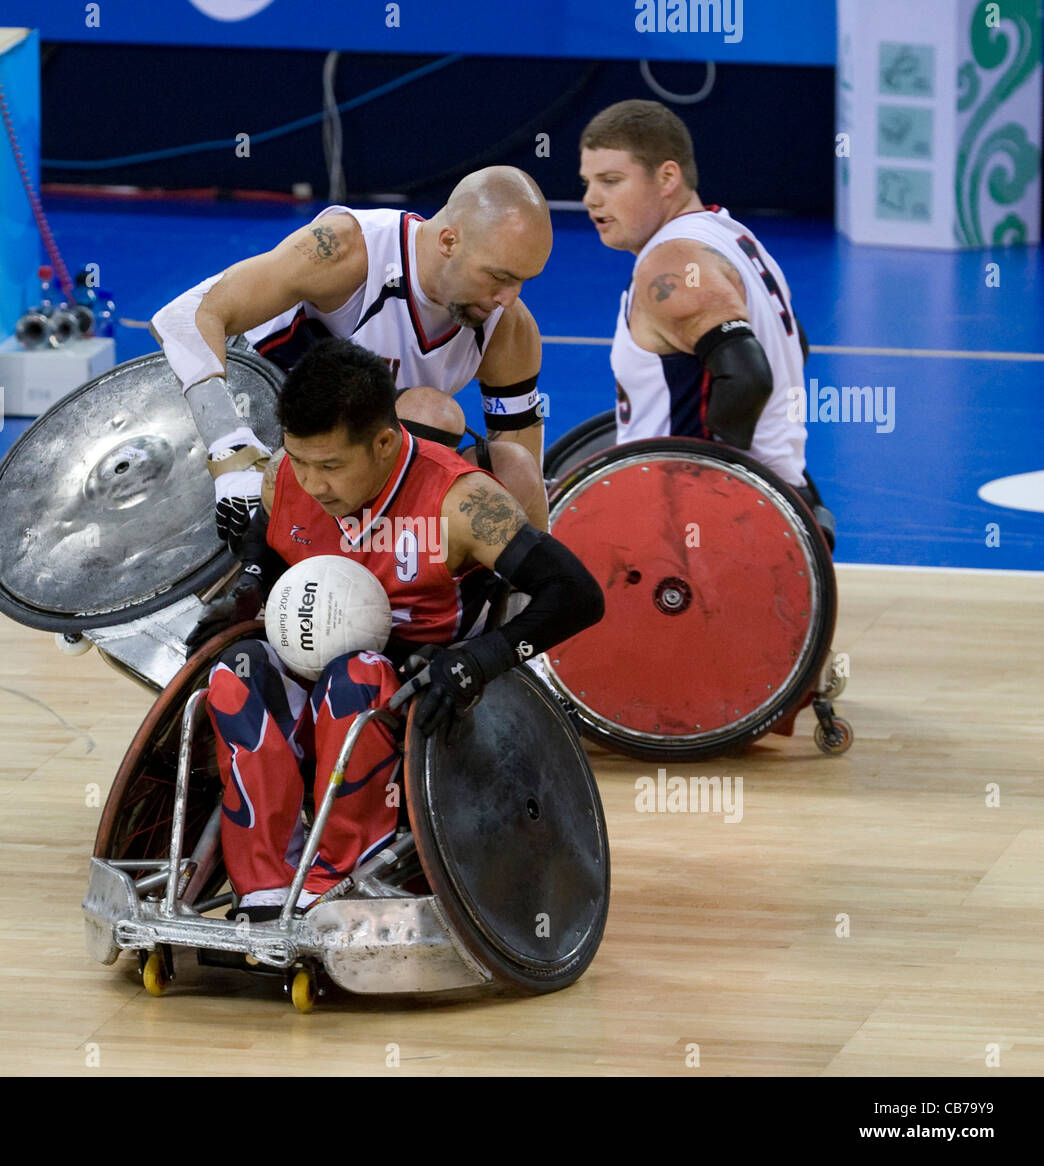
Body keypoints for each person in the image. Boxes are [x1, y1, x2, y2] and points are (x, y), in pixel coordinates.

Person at [197, 338, 603, 919]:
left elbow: (577, 595)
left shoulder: (461, 503)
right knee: (238, 673)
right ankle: (263, 884)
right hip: (314, 659)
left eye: (332, 466)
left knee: (355, 676)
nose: (312, 484)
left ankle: (340, 877)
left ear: (384, 442)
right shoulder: (285, 475)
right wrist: (248, 591)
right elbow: (266, 540)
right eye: (301, 460)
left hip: (422, 686)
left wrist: (479, 660)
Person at [149, 165, 554, 547]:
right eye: (500, 276)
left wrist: (540, 582)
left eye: (522, 281)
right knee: (428, 416)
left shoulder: (508, 326)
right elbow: (181, 317)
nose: (509, 298)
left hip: (358, 466)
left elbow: (525, 473)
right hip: (262, 434)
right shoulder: (347, 249)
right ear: (449, 241)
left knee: (512, 468)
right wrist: (230, 450)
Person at [578, 99, 834, 544]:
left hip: (697, 525)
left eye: (611, 181)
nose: (591, 199)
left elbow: (747, 376)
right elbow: (797, 348)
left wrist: (715, 494)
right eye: (587, 183)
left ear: (668, 178)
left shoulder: (670, 261)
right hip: (776, 496)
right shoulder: (733, 235)